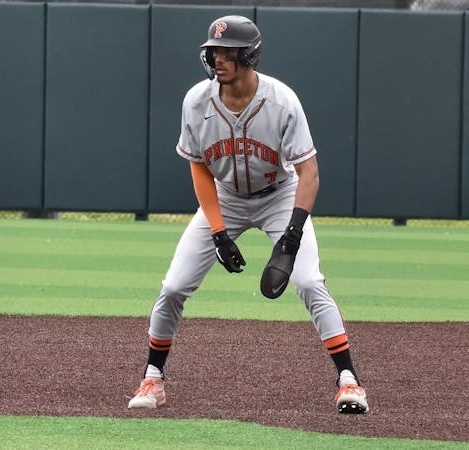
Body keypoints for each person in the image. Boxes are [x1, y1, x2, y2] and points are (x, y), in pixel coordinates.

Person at [127, 15, 368, 414]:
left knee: (308, 280)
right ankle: (153, 378)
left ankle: (349, 381)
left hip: (280, 195)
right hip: (226, 197)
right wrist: (220, 233)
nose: (217, 58)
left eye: (226, 51)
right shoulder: (196, 101)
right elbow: (199, 166)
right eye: (214, 51)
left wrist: (292, 234)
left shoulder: (282, 101)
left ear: (249, 55)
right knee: (173, 287)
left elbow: (309, 173)